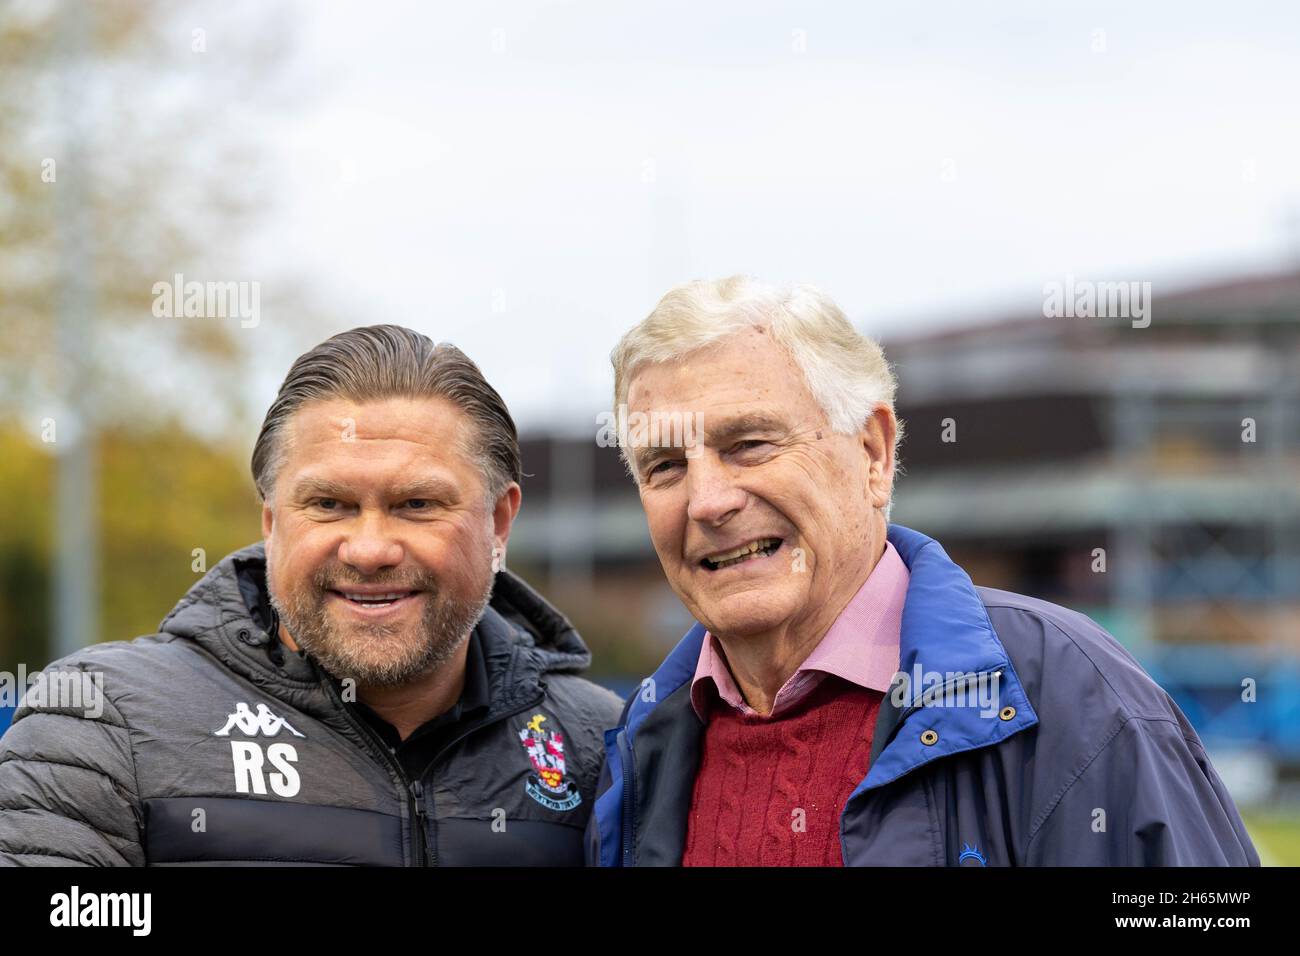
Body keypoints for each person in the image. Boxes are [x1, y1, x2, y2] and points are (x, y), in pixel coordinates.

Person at [587, 276, 1260, 866]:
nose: (707, 501)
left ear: (874, 454)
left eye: (750, 445)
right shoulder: (636, 751)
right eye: (665, 467)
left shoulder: (1075, 696)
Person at [0, 325, 621, 866]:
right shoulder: (100, 722)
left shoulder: (607, 745)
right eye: (329, 504)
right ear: (271, 521)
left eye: (418, 505)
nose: (370, 549)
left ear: (500, 522)